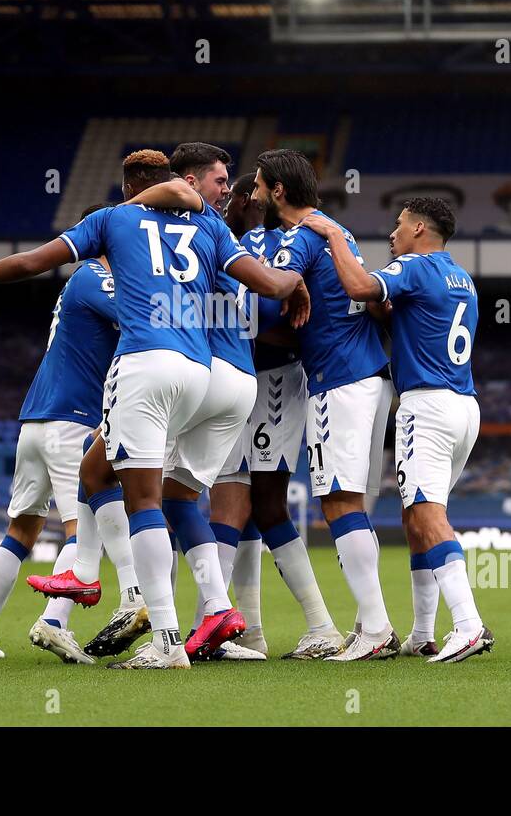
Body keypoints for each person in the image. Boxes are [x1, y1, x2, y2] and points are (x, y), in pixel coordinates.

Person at [0, 155, 307, 669]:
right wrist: (296, 280)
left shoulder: (111, 220)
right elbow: (269, 284)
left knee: (137, 496)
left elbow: (31, 263)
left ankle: (160, 634)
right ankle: (201, 604)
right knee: (138, 483)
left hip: (144, 366)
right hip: (204, 372)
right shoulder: (211, 229)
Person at [300, 197, 494, 662]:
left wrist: (331, 236)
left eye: (399, 225)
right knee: (415, 517)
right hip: (465, 405)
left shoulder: (413, 265)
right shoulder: (460, 278)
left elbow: (360, 286)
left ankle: (468, 624)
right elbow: (400, 317)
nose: (392, 234)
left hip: (425, 405)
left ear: (420, 230)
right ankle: (423, 631)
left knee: (427, 514)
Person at [0, 201, 123, 665]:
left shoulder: (79, 282)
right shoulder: (97, 276)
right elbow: (148, 318)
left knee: (23, 529)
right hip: (71, 420)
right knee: (82, 528)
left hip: (37, 418)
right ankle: (54, 623)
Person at [255, 148, 399, 661]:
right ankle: (371, 623)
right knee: (354, 504)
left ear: (277, 192)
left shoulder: (302, 235)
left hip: (337, 379)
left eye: (257, 185)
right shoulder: (338, 230)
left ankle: (375, 629)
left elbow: (272, 292)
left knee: (337, 501)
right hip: (370, 375)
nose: (252, 194)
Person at [209, 169, 344, 660]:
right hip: (236, 383)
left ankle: (322, 626)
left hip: (276, 383)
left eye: (235, 194)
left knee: (266, 504)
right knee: (235, 506)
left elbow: (286, 323)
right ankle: (244, 630)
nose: (226, 202)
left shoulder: (278, 244)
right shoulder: (234, 245)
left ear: (252, 198)